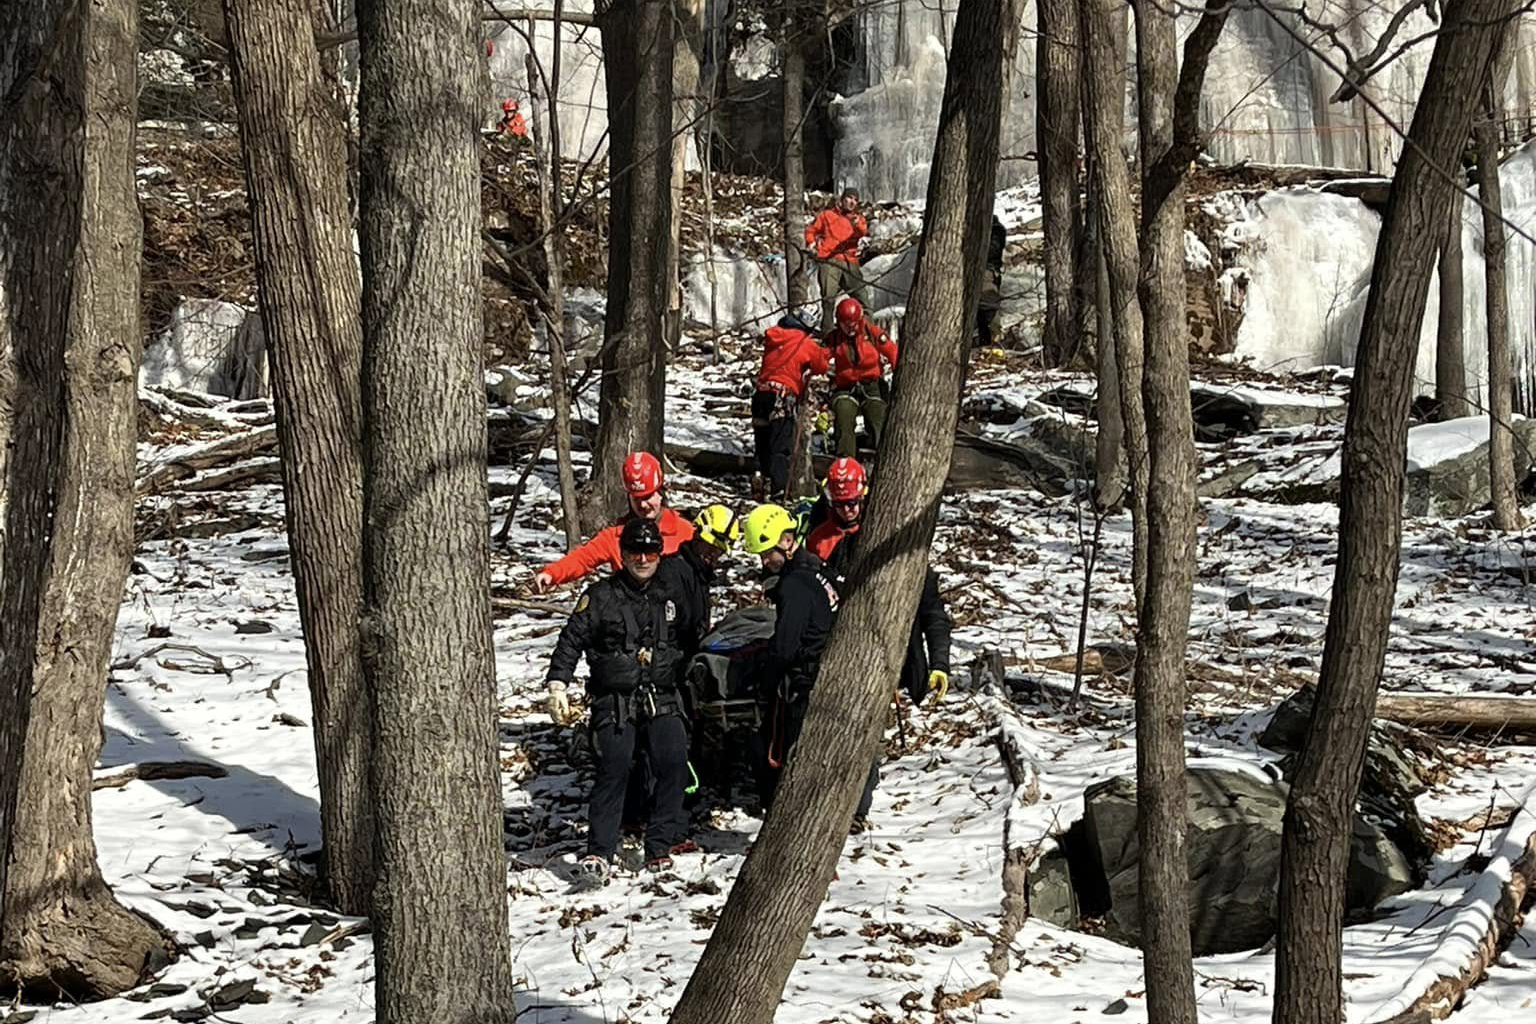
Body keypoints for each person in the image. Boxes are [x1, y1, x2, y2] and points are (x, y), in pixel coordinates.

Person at [545, 518, 693, 882]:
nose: (643, 559)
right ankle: (599, 851)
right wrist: (557, 684)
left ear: (660, 553)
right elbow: (570, 641)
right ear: (622, 554)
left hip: (662, 693)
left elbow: (690, 637)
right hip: (615, 697)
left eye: (650, 551)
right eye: (634, 552)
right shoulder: (599, 597)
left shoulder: (673, 592)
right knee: (615, 766)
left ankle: (659, 847)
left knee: (673, 763)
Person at [740, 503, 878, 830]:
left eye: (766, 553)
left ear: (787, 542)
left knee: (798, 751)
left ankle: (798, 816)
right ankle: (855, 807)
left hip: (810, 679)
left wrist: (765, 680)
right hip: (834, 671)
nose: (764, 561)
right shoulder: (818, 570)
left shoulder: (795, 585)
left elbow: (786, 645)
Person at [534, 451, 694, 591]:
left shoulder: (683, 531)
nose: (643, 505)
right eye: (637, 499)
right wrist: (552, 573)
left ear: (661, 492)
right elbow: (583, 557)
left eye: (648, 497)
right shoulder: (616, 536)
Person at [753, 314, 830, 500]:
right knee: (780, 446)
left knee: (762, 443)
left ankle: (760, 483)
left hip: (761, 394)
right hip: (781, 397)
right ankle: (779, 490)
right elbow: (822, 365)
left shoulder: (774, 336)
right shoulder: (804, 341)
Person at [657, 503, 738, 659]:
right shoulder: (672, 573)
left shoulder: (699, 574)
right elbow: (669, 632)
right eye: (709, 546)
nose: (713, 554)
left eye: (719, 550)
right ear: (697, 536)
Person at [824, 297, 899, 458]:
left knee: (877, 417)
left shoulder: (872, 333)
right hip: (846, 387)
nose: (850, 328)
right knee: (844, 417)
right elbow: (819, 357)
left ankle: (882, 456)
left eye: (853, 324)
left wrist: (898, 376)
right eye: (845, 324)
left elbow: (893, 352)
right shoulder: (835, 338)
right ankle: (846, 460)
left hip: (872, 385)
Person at [805, 187, 870, 329]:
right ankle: (828, 335)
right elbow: (811, 230)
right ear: (842, 199)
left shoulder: (857, 219)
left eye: (855, 199)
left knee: (863, 299)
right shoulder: (826, 215)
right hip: (829, 261)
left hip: (850, 262)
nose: (852, 202)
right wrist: (811, 244)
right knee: (828, 301)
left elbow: (862, 231)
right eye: (850, 198)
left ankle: (866, 334)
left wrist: (857, 223)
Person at [978, 215, 1007, 343]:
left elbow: (992, 251)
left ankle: (992, 340)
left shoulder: (995, 231)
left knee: (988, 307)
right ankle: (987, 339)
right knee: (982, 310)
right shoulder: (996, 230)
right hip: (988, 272)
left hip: (988, 272)